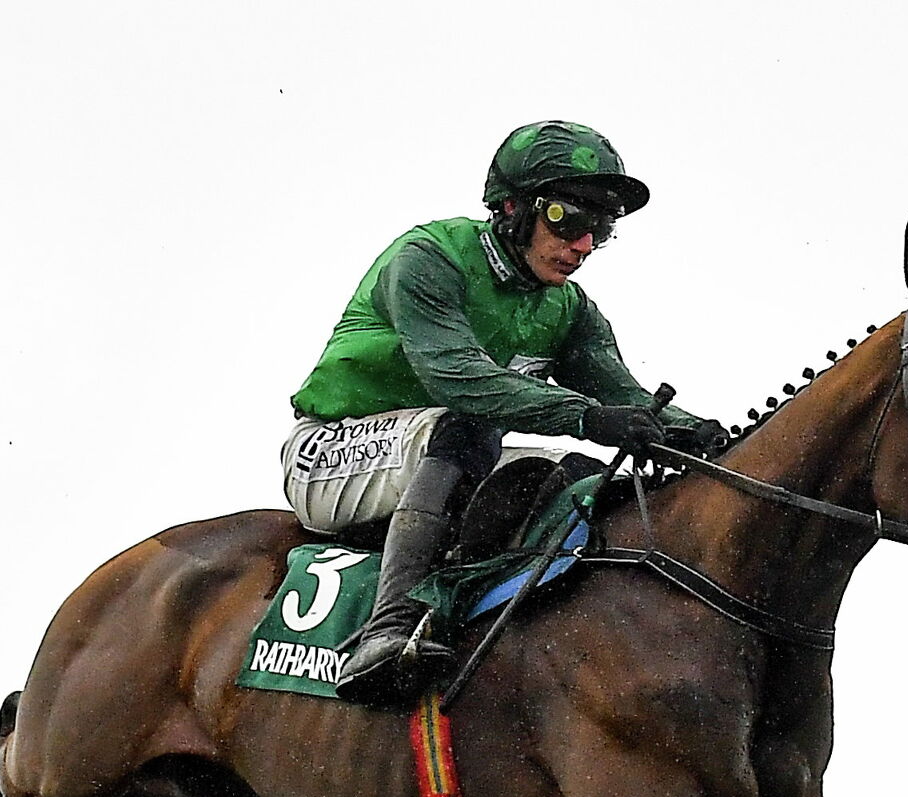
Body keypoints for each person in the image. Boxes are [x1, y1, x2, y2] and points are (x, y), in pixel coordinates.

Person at [282, 119, 727, 706]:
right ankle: (385, 632)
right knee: (467, 429)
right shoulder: (428, 258)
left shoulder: (570, 309)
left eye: (601, 228)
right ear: (513, 208)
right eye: (569, 220)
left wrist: (704, 434)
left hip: (433, 455)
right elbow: (460, 380)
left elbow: (627, 399)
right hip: (329, 455)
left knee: (569, 477)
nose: (584, 246)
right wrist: (587, 417)